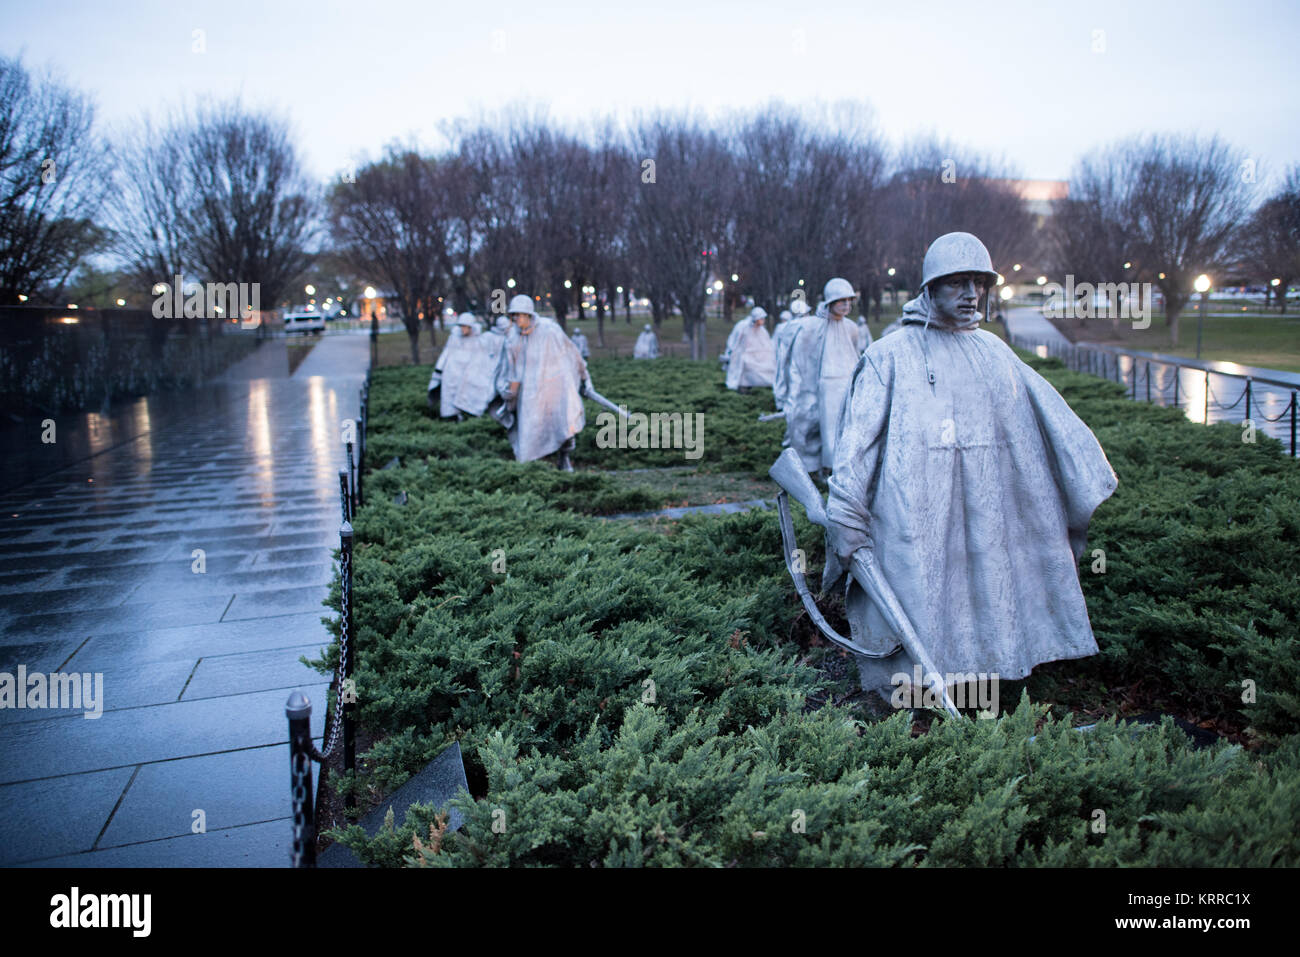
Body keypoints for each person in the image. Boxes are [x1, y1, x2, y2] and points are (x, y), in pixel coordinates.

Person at [822, 232, 1118, 702]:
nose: (971, 294)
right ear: (929, 289)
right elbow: (856, 446)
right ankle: (917, 693)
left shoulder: (995, 352)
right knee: (924, 594)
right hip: (914, 515)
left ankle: (994, 674)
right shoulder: (889, 356)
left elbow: (1044, 430)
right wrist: (845, 513)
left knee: (990, 589)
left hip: (989, 509)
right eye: (957, 283)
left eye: (978, 283)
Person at [495, 294, 592, 470]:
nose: (515, 319)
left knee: (562, 424)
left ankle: (564, 458)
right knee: (529, 432)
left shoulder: (550, 330)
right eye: (513, 315)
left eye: (518, 315)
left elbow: (572, 353)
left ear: (528, 314)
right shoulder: (513, 338)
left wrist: (585, 377)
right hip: (529, 394)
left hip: (555, 387)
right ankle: (531, 469)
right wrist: (508, 391)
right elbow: (509, 368)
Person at [779, 278, 863, 476]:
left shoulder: (851, 327)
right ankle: (825, 468)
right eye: (841, 300)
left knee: (849, 427)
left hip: (848, 383)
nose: (846, 305)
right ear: (830, 302)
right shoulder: (814, 327)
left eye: (849, 301)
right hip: (826, 385)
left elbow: (856, 353)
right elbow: (802, 361)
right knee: (827, 430)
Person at [429, 314, 478, 419]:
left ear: (471, 327)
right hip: (450, 375)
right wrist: (439, 370)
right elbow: (446, 354)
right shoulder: (454, 338)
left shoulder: (476, 341)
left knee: (464, 401)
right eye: (461, 326)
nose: (462, 329)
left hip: (465, 376)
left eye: (465, 326)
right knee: (448, 402)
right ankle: (450, 420)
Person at [722, 307, 775, 391]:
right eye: (761, 318)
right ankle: (743, 388)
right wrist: (730, 352)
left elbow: (766, 344)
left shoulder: (761, 330)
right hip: (742, 355)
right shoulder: (742, 327)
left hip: (756, 356)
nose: (762, 321)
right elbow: (734, 340)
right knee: (743, 372)